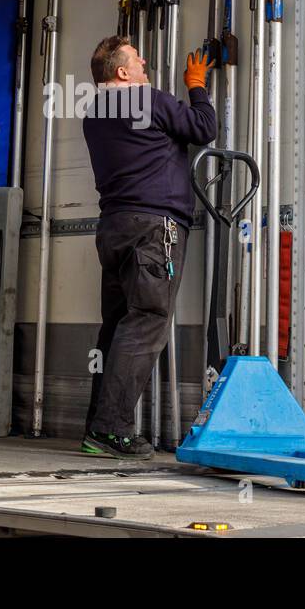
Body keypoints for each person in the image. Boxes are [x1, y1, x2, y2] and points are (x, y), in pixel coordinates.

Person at [79, 35, 216, 459]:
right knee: (145, 323)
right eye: (138, 61)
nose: (145, 65)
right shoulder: (148, 99)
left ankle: (96, 427)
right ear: (122, 73)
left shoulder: (92, 112)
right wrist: (197, 87)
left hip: (114, 228)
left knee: (117, 327)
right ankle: (112, 430)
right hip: (155, 230)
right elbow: (203, 129)